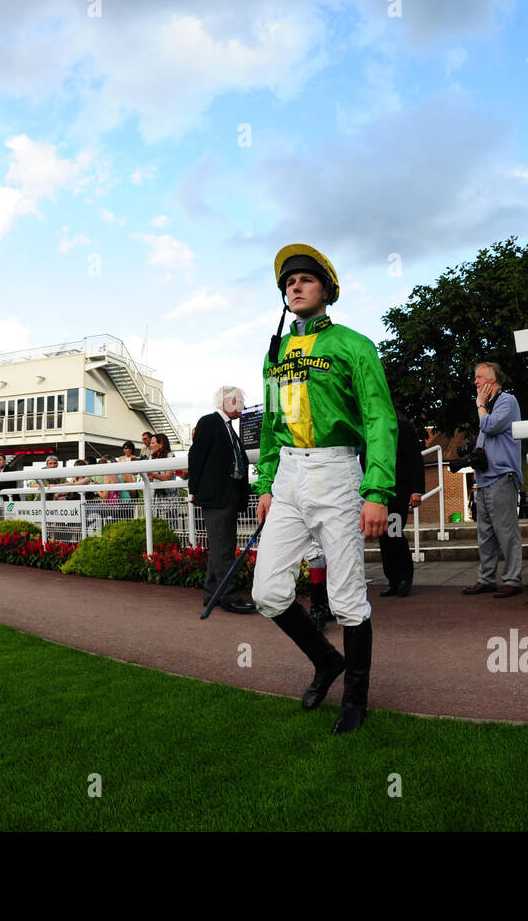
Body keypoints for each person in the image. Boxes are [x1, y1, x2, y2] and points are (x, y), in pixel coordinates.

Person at [251, 243, 395, 735]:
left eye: (305, 280)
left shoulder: (355, 345)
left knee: (347, 595)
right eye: (288, 282)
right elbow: (271, 425)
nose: (295, 286)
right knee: (267, 591)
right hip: (288, 476)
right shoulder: (275, 353)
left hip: (338, 474)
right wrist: (266, 484)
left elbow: (379, 417)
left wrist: (377, 491)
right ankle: (326, 661)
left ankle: (356, 698)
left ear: (327, 290)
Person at [461, 362, 525, 599]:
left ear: (492, 379)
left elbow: (491, 425)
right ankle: (486, 579)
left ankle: (513, 580)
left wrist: (480, 405)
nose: (475, 381)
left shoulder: (506, 401)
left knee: (507, 533)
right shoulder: (487, 405)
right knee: (485, 535)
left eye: (479, 377)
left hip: (501, 476)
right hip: (485, 478)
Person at [188, 386, 254, 615]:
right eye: (240, 401)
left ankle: (211, 594)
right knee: (223, 547)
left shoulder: (229, 428)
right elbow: (196, 457)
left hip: (230, 493)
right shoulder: (209, 422)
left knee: (221, 546)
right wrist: (193, 490)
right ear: (228, 401)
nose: (243, 406)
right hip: (216, 495)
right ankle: (229, 596)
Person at [379, 410, 425, 598]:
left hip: (399, 492)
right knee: (384, 536)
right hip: (380, 493)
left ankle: (405, 577)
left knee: (395, 532)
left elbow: (415, 460)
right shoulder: (371, 430)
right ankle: (393, 580)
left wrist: (417, 490)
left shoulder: (403, 428)